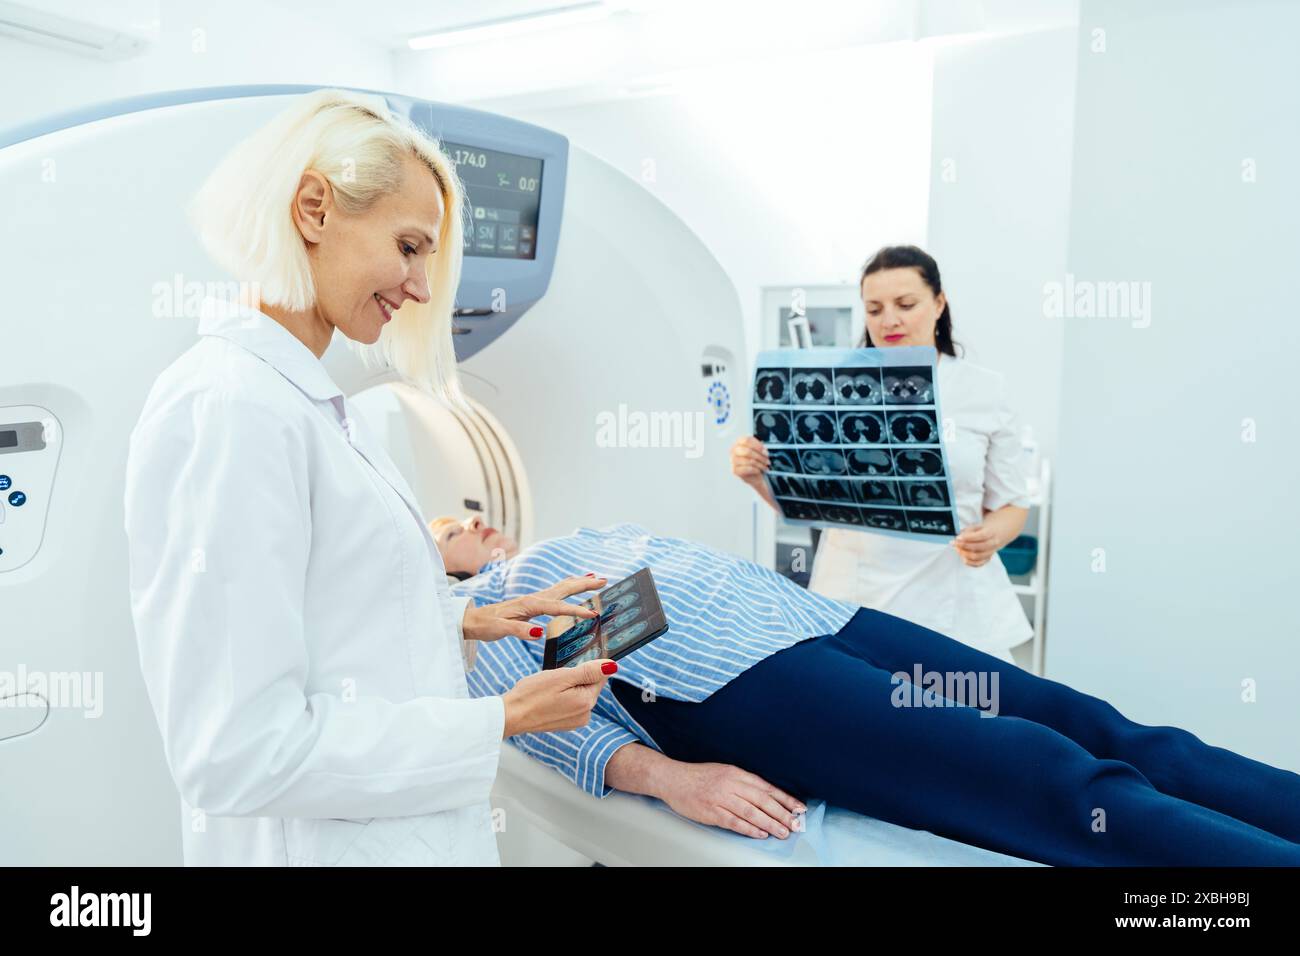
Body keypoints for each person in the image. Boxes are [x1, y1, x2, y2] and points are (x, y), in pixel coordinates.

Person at [123, 89, 615, 867]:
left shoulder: (311, 404)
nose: (422, 287)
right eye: (411, 245)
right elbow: (236, 751)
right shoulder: (231, 409)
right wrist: (502, 719)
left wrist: (465, 617)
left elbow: (324, 612)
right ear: (315, 209)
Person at [437, 519, 1300, 866]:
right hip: (742, 684)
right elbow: (540, 723)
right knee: (1047, 778)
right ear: (432, 563)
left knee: (1096, 724)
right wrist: (672, 780)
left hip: (823, 621)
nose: (470, 521)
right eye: (446, 527)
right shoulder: (471, 614)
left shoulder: (574, 531)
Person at [732, 245, 1032, 662]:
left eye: (905, 304)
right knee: (855, 719)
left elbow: (1014, 504)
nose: (889, 320)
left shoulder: (984, 390)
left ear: (939, 303)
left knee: (955, 720)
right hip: (851, 593)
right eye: (874, 309)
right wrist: (758, 477)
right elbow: (806, 506)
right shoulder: (829, 387)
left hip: (951, 597)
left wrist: (992, 536)